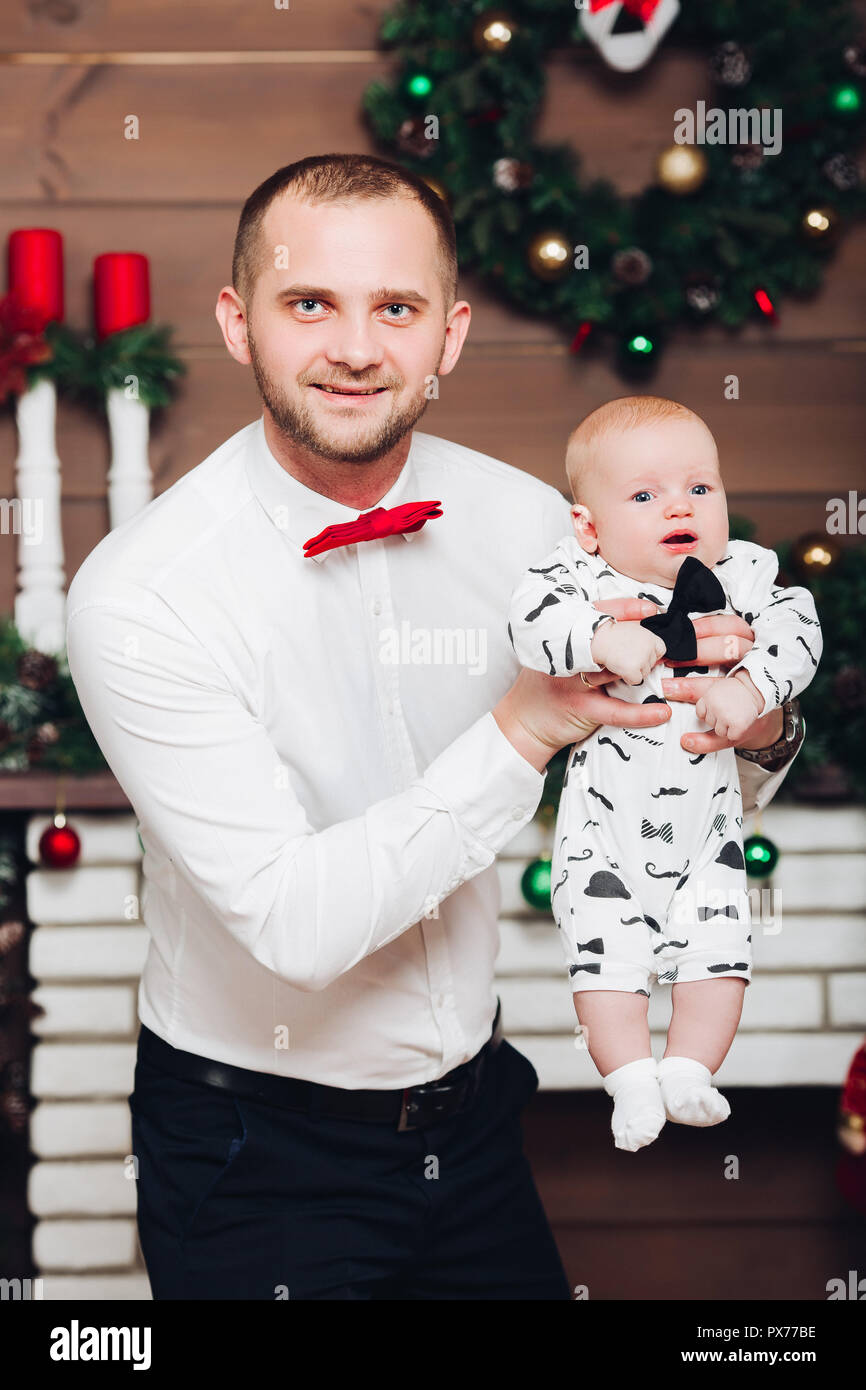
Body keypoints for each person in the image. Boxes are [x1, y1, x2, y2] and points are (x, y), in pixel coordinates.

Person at [65, 153, 804, 1300]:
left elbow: (676, 747)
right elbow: (297, 927)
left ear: (448, 337)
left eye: (394, 309)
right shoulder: (141, 593)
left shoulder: (531, 520)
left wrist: (753, 727)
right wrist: (521, 727)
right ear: (237, 322)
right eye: (309, 303)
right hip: (252, 1155)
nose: (356, 348)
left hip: (473, 1126)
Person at [508, 396, 820, 1152]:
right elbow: (530, 622)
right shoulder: (575, 577)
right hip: (603, 838)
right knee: (603, 955)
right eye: (645, 496)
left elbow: (799, 627)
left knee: (719, 948)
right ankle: (628, 1080)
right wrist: (599, 639)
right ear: (589, 526)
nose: (679, 505)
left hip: (706, 833)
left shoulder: (742, 573)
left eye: (699, 488)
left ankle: (689, 1068)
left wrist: (751, 689)